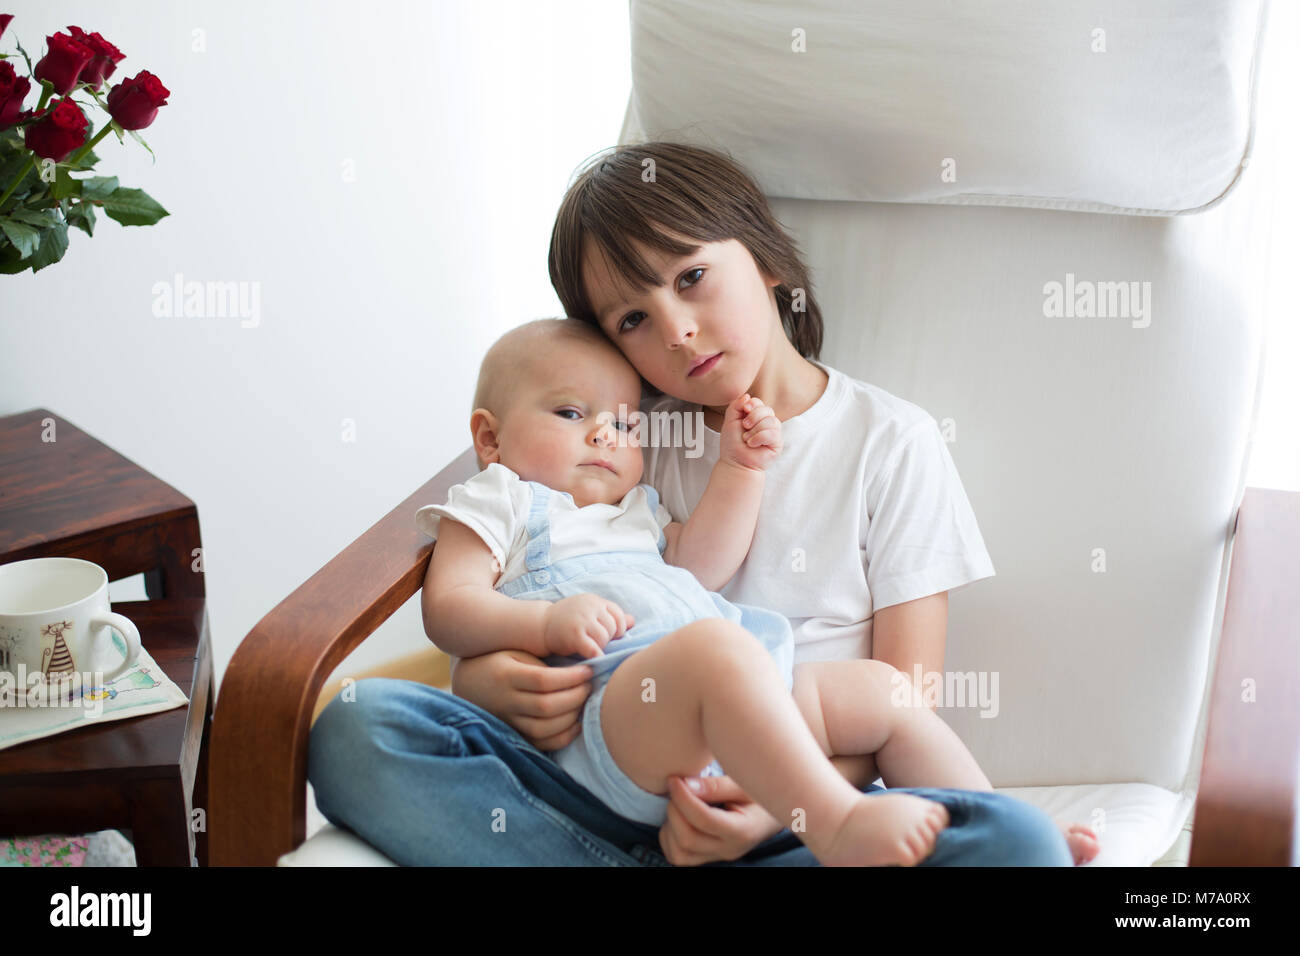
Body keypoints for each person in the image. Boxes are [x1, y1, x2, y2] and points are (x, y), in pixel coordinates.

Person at [309, 140, 1098, 866]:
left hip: (805, 808)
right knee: (356, 728)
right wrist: (486, 678)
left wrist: (772, 806)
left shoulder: (891, 442)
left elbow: (906, 698)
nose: (679, 332)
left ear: (766, 260)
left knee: (1019, 841)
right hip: (612, 777)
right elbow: (512, 575)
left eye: (691, 278)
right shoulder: (619, 445)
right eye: (633, 320)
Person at [415, 317, 1009, 865]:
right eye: (571, 414)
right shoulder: (501, 499)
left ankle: (996, 824)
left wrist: (742, 470)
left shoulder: (636, 509)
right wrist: (541, 628)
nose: (605, 434)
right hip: (620, 721)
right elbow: (449, 607)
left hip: (744, 714)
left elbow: (704, 563)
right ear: (490, 440)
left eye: (624, 423)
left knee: (884, 694)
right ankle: (839, 822)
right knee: (715, 650)